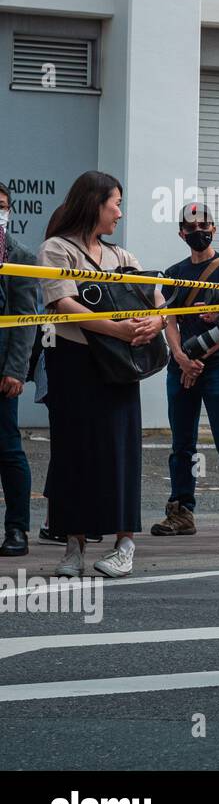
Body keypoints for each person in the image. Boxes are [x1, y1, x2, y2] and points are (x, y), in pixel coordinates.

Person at [39, 171, 166, 577]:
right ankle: (72, 547)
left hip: (118, 367)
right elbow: (65, 306)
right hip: (73, 365)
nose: (120, 214)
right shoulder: (57, 250)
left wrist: (157, 322)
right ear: (95, 203)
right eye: (116, 204)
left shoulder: (122, 256)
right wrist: (120, 328)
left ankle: (124, 543)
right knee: (74, 453)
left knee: (121, 450)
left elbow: (155, 293)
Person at [152, 202, 219, 540]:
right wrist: (179, 356)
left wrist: (199, 359)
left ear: (214, 228)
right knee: (182, 444)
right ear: (181, 232)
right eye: (191, 227)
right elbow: (170, 319)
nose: (199, 231)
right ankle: (181, 511)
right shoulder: (173, 271)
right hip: (181, 368)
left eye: (204, 224)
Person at [0, 182, 38, 557]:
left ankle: (16, 530)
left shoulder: (20, 257)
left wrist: (15, 370)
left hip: (2, 372)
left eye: (1, 206)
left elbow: (25, 320)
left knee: (8, 450)